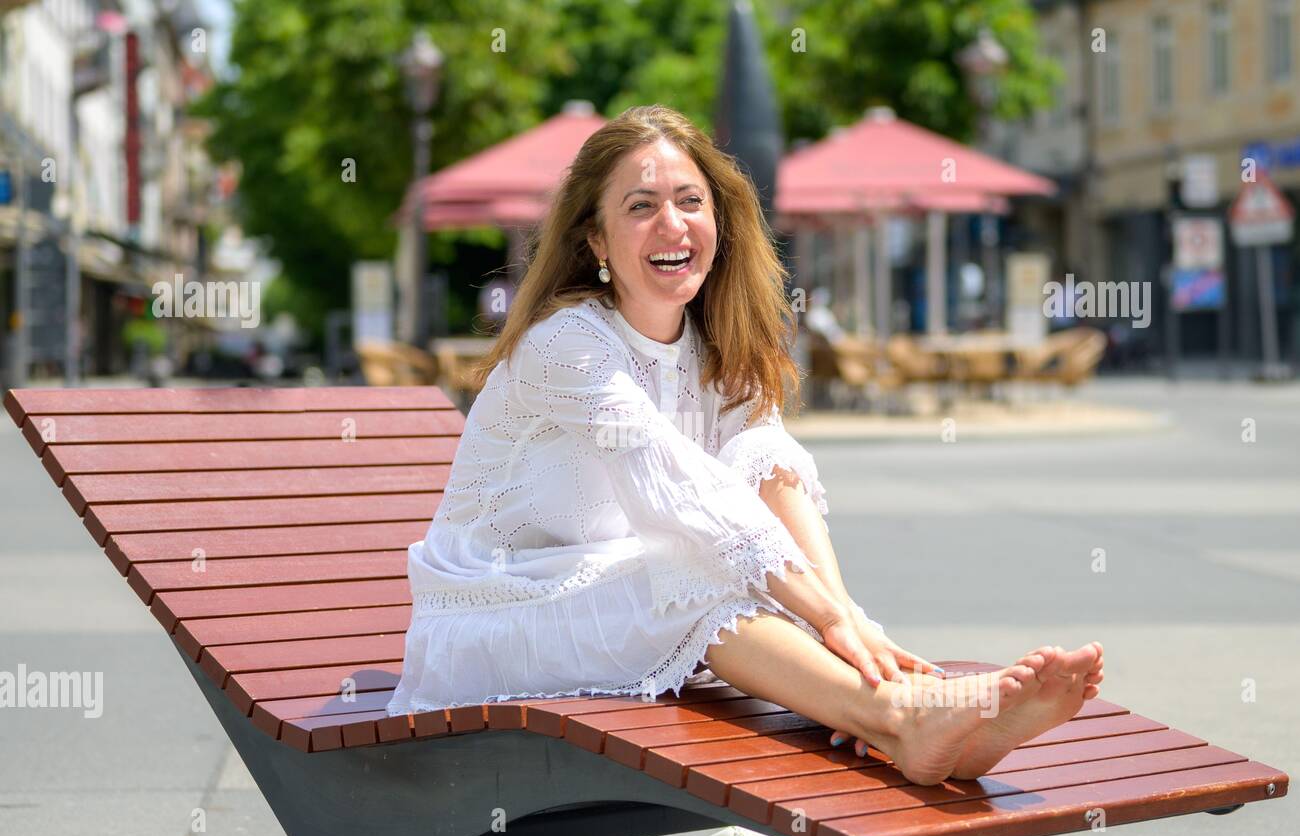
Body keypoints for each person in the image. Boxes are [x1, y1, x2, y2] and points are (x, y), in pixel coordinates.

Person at [386, 105, 1104, 786]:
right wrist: (826, 620)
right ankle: (900, 715)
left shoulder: (709, 345)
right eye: (640, 206)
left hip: (606, 604)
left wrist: (844, 616)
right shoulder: (567, 344)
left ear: (719, 222)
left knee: (738, 571)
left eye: (690, 201)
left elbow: (771, 473)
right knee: (696, 566)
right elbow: (684, 496)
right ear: (597, 243)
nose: (673, 223)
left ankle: (920, 727)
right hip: (491, 618)